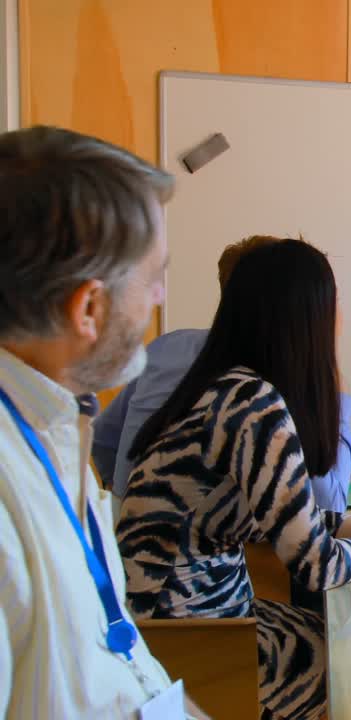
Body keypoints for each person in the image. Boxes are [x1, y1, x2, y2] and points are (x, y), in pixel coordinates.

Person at [117, 239, 351, 720]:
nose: (341, 319)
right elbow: (316, 566)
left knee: (349, 638)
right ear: (304, 317)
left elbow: (293, 523)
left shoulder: (224, 387)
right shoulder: (251, 405)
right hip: (192, 645)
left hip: (183, 626)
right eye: (334, 304)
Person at [0, 125, 207, 717]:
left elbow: (121, 667)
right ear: (89, 308)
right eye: (154, 276)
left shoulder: (59, 426)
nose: (161, 297)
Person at [92, 234, 351, 513]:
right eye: (331, 300)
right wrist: (332, 367)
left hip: (134, 542)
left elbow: (103, 439)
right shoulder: (261, 389)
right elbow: (329, 507)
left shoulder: (167, 349)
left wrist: (125, 507)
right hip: (206, 552)